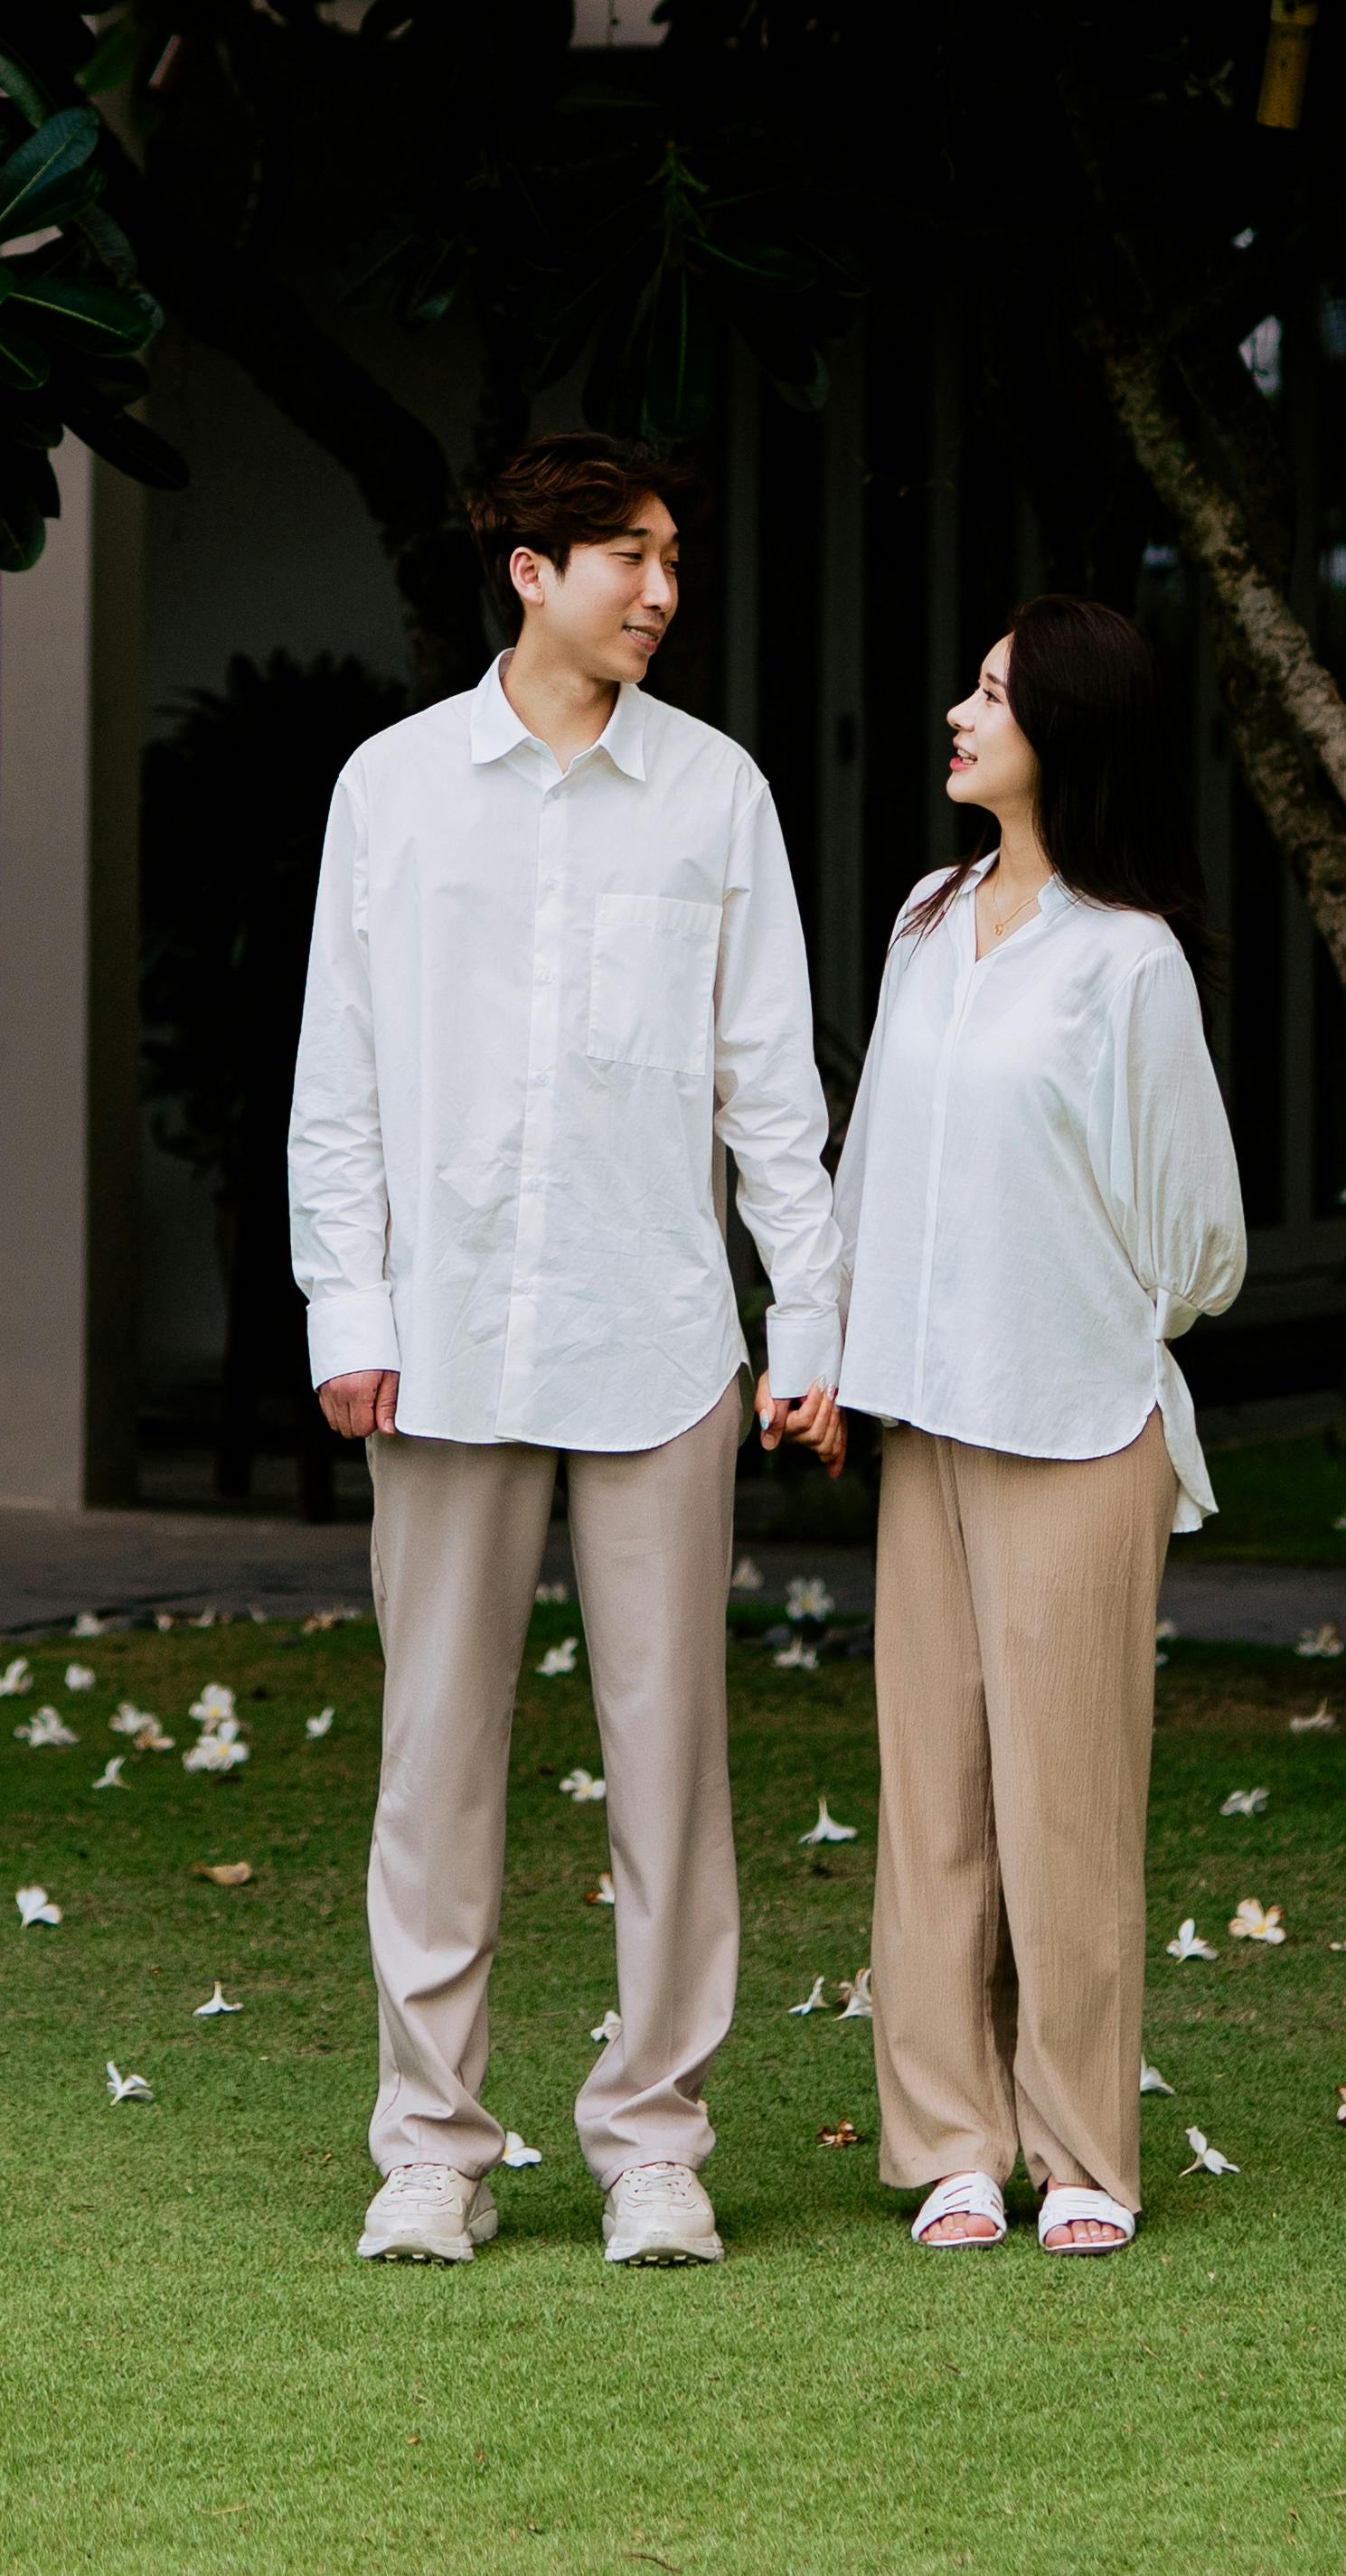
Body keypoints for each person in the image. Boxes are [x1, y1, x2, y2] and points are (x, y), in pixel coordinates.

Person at [288, 432, 846, 2270]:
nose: (661, 588)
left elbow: (773, 1084)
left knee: (668, 1760)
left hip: (656, 1338)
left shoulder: (717, 797)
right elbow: (338, 1085)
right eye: (626, 554)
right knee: (431, 1757)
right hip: (438, 1349)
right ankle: (431, 2147)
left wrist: (804, 1320)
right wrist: (346, 1312)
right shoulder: (391, 792)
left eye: (673, 555)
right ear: (527, 571)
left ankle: (655, 2139)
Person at [833, 594, 1246, 2258]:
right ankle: (948, 2136)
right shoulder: (928, 917)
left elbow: (1196, 1237)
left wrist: (1072, 1318)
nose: (956, 708)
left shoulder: (1128, 957)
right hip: (924, 1418)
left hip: (1080, 1423)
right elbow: (871, 1162)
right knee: (927, 1788)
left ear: (1060, 733)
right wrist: (832, 1342)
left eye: (992, 691)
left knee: (1063, 1797)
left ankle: (1081, 2143)